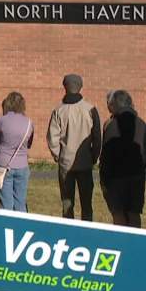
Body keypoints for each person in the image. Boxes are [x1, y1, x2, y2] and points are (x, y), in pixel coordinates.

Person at [47, 74, 100, 220]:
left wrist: (58, 155)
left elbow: (52, 137)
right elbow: (97, 137)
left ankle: (68, 232)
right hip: (85, 162)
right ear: (80, 87)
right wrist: (94, 156)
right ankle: (87, 231)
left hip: (66, 163)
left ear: (65, 87)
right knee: (87, 203)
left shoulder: (59, 110)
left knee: (67, 203)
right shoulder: (90, 109)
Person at [100, 90, 146, 227]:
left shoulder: (111, 126)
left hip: (116, 177)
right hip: (137, 175)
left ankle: (121, 244)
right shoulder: (142, 124)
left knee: (118, 213)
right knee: (134, 213)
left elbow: (106, 156)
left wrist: (104, 179)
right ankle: (135, 243)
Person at [0, 92, 34, 212]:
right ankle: (21, 227)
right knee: (20, 201)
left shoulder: (1, 120)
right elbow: (29, 144)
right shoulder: (29, 122)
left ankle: (7, 226)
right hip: (22, 165)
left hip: (3, 165)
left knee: (6, 202)